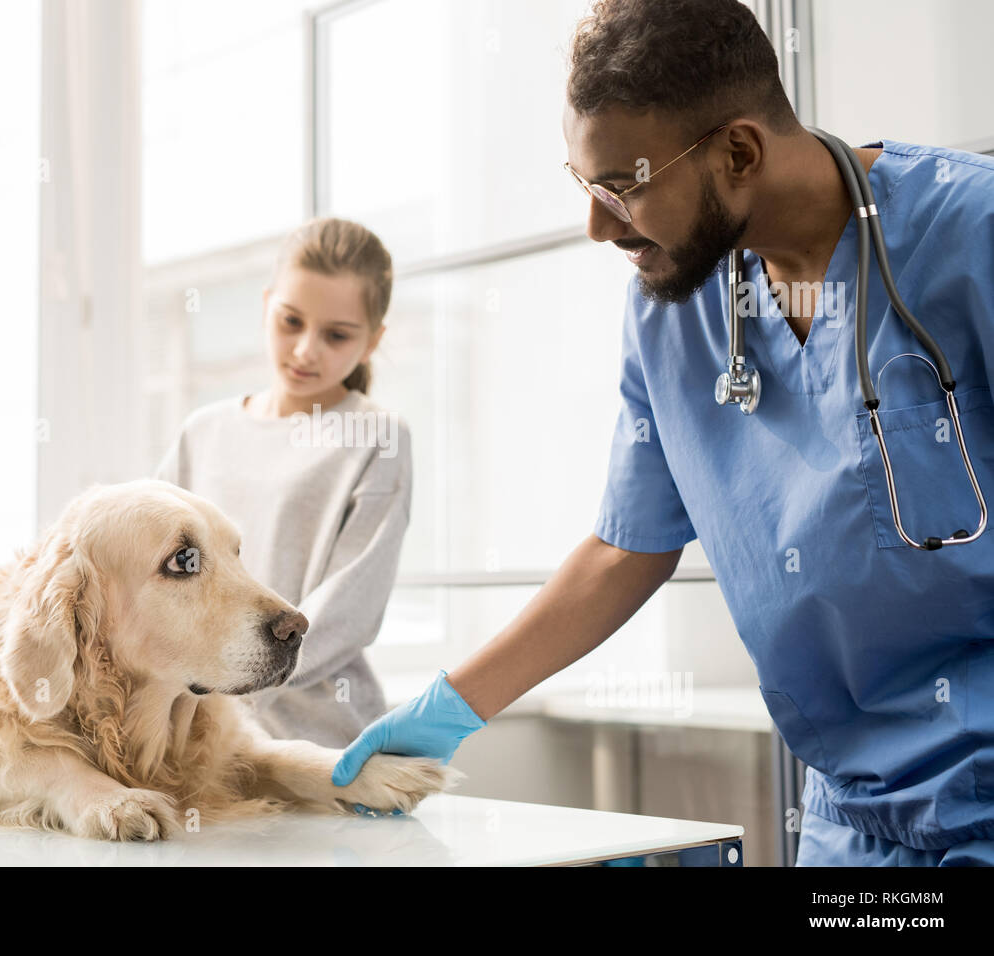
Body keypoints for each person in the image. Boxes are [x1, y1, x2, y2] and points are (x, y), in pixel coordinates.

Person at [332, 0, 994, 865]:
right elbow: (626, 548)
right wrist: (455, 706)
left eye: (625, 185)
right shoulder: (673, 313)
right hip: (855, 822)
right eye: (587, 185)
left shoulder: (970, 235)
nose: (599, 226)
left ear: (740, 152)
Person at [155, 216, 412, 749]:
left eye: (337, 335)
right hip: (197, 734)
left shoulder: (377, 437)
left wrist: (238, 686)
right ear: (267, 304)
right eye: (291, 321)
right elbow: (150, 568)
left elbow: (349, 609)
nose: (305, 350)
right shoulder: (204, 432)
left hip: (319, 740)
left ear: (373, 341)